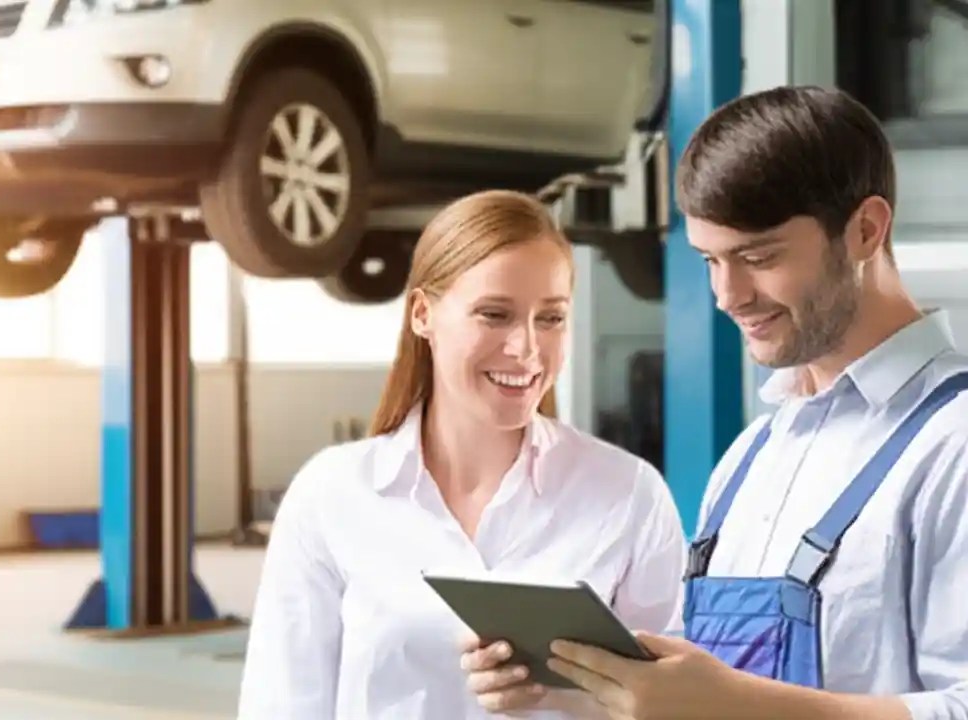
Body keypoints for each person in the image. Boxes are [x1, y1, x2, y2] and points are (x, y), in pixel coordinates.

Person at [463, 86, 968, 719]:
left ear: (865, 230)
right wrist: (574, 683)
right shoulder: (752, 458)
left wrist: (743, 707)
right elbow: (703, 695)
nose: (728, 295)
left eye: (758, 257)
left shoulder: (954, 446)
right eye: (710, 260)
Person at [236, 189, 688, 719]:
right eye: (494, 315)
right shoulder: (333, 495)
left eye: (551, 318)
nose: (526, 349)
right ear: (423, 314)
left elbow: (674, 707)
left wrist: (562, 690)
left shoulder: (628, 494)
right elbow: (282, 705)